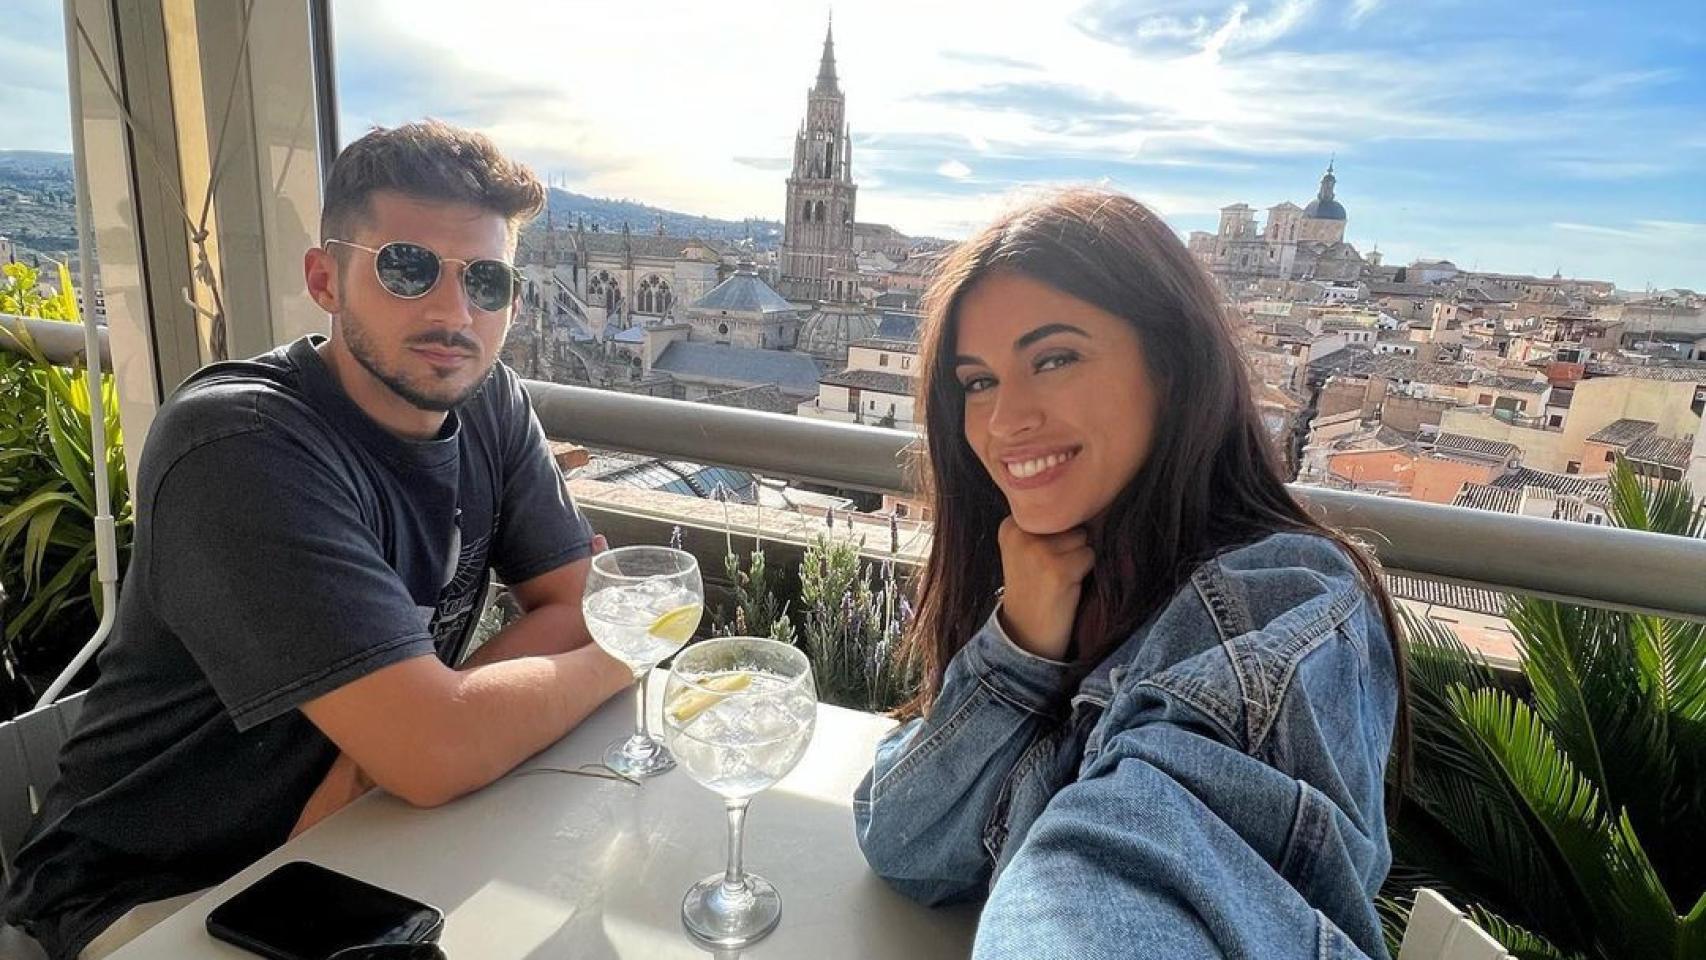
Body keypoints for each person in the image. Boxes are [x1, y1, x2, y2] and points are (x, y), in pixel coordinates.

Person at [1, 121, 633, 960]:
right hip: (160, 891)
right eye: (408, 269)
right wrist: (625, 654)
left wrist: (395, 748)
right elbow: (455, 738)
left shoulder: (488, 400)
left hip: (357, 842)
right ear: (325, 279)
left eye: (488, 281)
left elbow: (569, 603)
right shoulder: (239, 446)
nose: (455, 312)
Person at [854, 189, 1407, 959]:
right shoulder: (1067, 575)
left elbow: (1121, 876)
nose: (1004, 420)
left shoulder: (1280, 605)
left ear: (1172, 366)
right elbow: (902, 841)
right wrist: (1020, 645)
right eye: (977, 381)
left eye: (1054, 359)